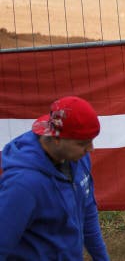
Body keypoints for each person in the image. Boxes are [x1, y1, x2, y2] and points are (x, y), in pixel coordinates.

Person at [0, 96, 109, 260]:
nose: (91, 149)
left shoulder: (78, 159)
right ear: (57, 138)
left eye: (91, 141)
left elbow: (87, 213)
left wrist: (102, 258)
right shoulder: (23, 185)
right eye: (82, 143)